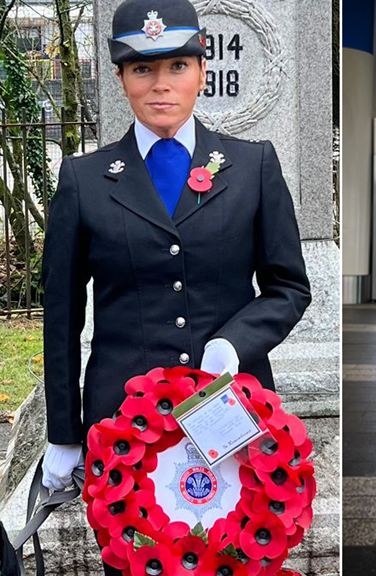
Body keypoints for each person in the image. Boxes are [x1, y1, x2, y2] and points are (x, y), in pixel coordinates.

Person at [40, 0, 311, 572]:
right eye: (142, 69)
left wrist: (235, 343)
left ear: (202, 71)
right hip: (124, 430)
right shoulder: (85, 181)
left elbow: (289, 286)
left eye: (178, 67)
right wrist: (64, 434)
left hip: (235, 418)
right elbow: (61, 316)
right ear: (120, 79)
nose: (161, 85)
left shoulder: (253, 166)